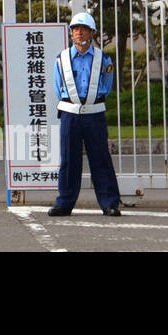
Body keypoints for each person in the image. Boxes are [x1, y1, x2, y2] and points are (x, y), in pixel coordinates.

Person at [48, 12, 122, 217]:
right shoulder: (61, 59)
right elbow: (58, 87)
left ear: (92, 32)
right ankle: (64, 203)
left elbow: (106, 86)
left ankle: (110, 203)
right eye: (75, 29)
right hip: (70, 113)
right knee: (69, 160)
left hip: (94, 114)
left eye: (83, 29)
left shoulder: (103, 58)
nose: (79, 33)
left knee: (101, 159)